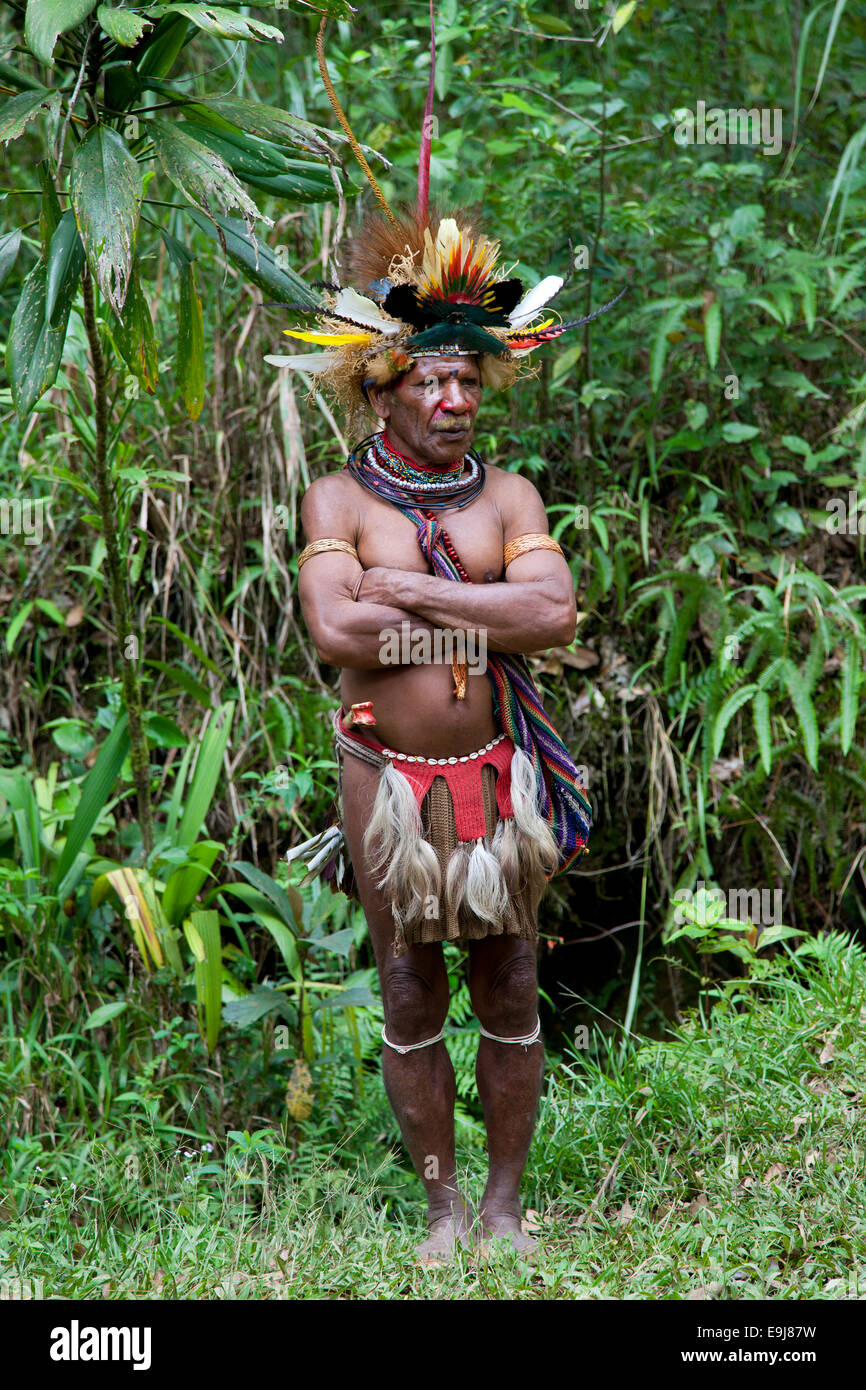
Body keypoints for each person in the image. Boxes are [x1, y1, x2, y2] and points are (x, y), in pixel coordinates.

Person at [270, 15, 620, 1263]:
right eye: (432, 376)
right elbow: (330, 627)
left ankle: (507, 1209)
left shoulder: (507, 497)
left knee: (510, 982)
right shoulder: (339, 503)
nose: (456, 396)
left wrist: (415, 600)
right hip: (390, 782)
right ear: (384, 382)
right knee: (410, 988)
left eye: (471, 378)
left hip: (495, 781)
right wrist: (462, 609)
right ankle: (436, 1211)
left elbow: (550, 616)